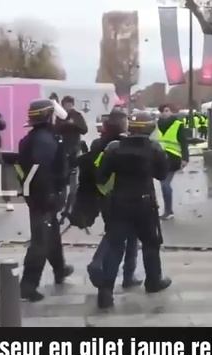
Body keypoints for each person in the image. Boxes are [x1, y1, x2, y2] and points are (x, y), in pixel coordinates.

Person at [95, 111, 171, 309]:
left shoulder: (114, 148)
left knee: (115, 246)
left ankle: (105, 291)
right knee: (150, 244)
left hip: (120, 202)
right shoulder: (154, 148)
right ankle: (153, 281)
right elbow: (162, 175)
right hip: (145, 202)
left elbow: (101, 176)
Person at [17, 99, 74, 302]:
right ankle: (28, 285)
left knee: (52, 233)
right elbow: (41, 170)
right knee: (41, 241)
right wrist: (49, 195)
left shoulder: (36, 137)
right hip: (43, 196)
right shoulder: (44, 141)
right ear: (48, 116)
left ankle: (60, 269)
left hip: (37, 194)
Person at [86, 111, 142, 289]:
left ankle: (119, 271)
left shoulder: (97, 143)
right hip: (122, 193)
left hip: (102, 193)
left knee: (113, 231)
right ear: (122, 124)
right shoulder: (123, 144)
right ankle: (121, 272)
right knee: (129, 234)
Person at [54, 95, 88, 212]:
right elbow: (56, 129)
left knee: (74, 177)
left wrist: (74, 124)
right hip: (63, 149)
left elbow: (84, 129)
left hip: (75, 149)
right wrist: (66, 124)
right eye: (66, 104)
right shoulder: (60, 116)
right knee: (63, 176)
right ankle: (61, 202)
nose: (68, 106)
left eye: (70, 104)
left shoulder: (77, 115)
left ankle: (72, 203)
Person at [157, 104, 189, 220]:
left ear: (171, 112)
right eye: (162, 111)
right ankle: (167, 210)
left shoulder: (178, 124)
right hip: (160, 158)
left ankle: (168, 211)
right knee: (163, 185)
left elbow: (184, 142)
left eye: (166, 111)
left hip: (174, 158)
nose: (164, 113)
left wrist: (185, 158)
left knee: (165, 184)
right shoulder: (157, 124)